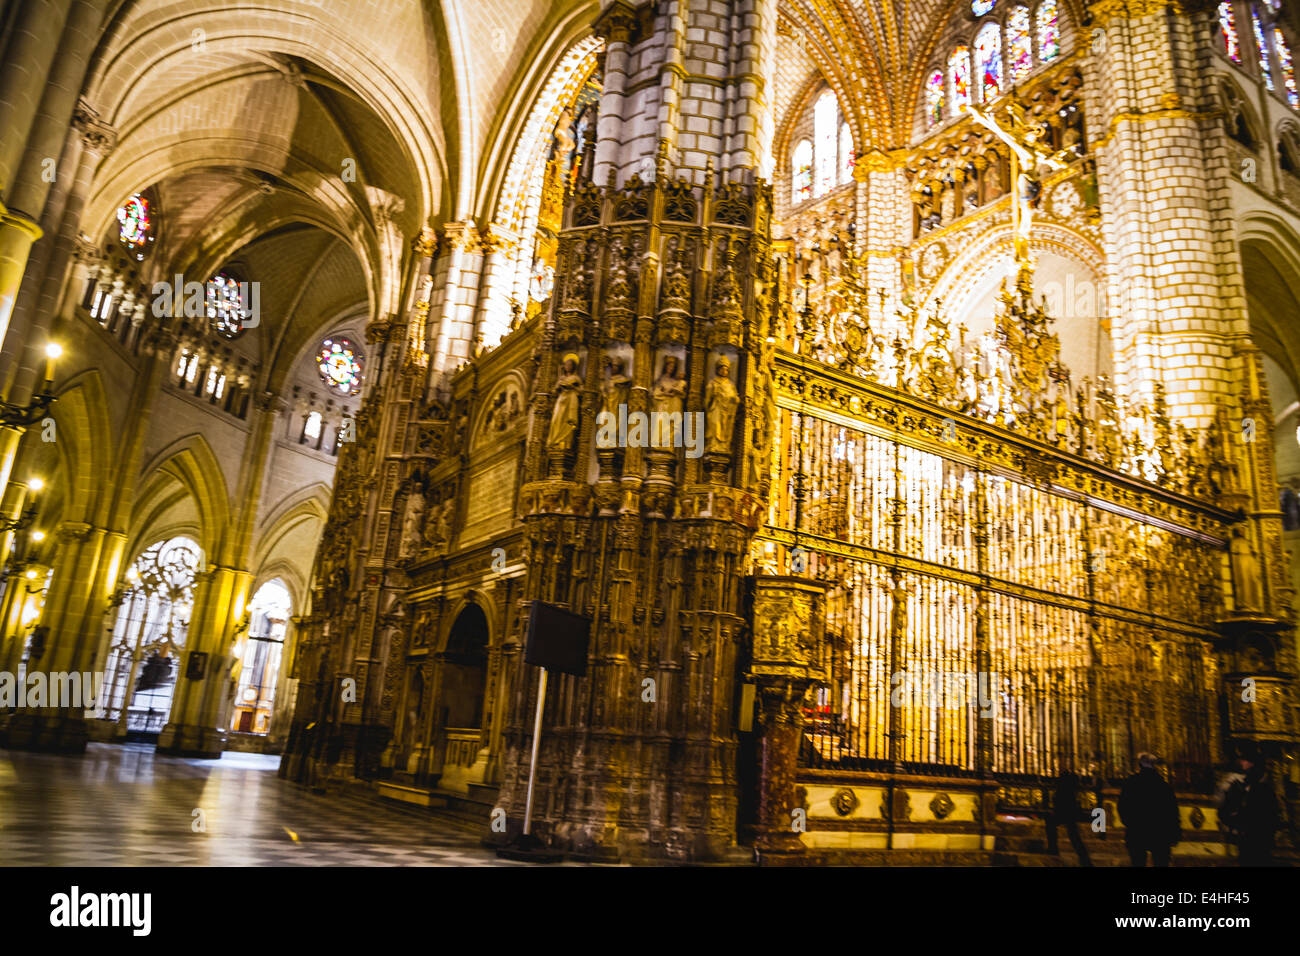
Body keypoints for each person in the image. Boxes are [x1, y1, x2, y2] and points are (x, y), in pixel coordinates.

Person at [1118, 753, 1181, 866]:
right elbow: (1172, 812)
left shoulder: (1131, 783)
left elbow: (1122, 806)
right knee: (1160, 861)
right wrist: (1174, 833)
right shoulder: (1163, 785)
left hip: (1136, 830)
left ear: (1139, 765)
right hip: (1160, 832)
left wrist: (1129, 822)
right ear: (1154, 766)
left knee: (1138, 862)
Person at [1221, 747, 1279, 866]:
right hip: (1250, 837)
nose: (1242, 763)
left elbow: (1257, 814)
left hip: (1256, 838)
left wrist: (1237, 816)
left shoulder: (1261, 789)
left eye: (1244, 760)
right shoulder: (1244, 785)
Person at [1045, 769, 1093, 865]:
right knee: (1074, 836)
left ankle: (1053, 848)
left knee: (1072, 835)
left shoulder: (1062, 788)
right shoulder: (1070, 787)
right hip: (1069, 812)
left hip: (1065, 812)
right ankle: (1084, 858)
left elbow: (1057, 801)